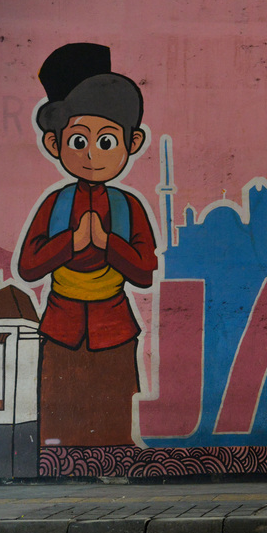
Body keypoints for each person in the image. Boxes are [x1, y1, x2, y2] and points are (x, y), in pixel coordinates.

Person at [16, 43, 158, 447]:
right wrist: (71, 242)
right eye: (79, 141)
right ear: (55, 145)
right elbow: (28, 267)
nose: (93, 154)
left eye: (107, 142)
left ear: (132, 143)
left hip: (114, 330)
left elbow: (145, 272)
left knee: (115, 417)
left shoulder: (128, 207)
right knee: (58, 419)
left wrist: (108, 244)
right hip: (60, 329)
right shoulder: (55, 204)